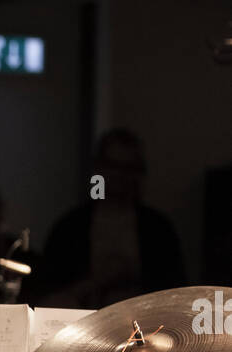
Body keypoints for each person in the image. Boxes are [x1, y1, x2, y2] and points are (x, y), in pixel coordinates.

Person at [30, 128, 185, 310]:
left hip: (148, 328)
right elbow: (48, 298)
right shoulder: (70, 228)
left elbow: (178, 295)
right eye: (114, 166)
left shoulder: (158, 229)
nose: (120, 175)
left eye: (129, 168)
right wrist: (98, 281)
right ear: (99, 169)